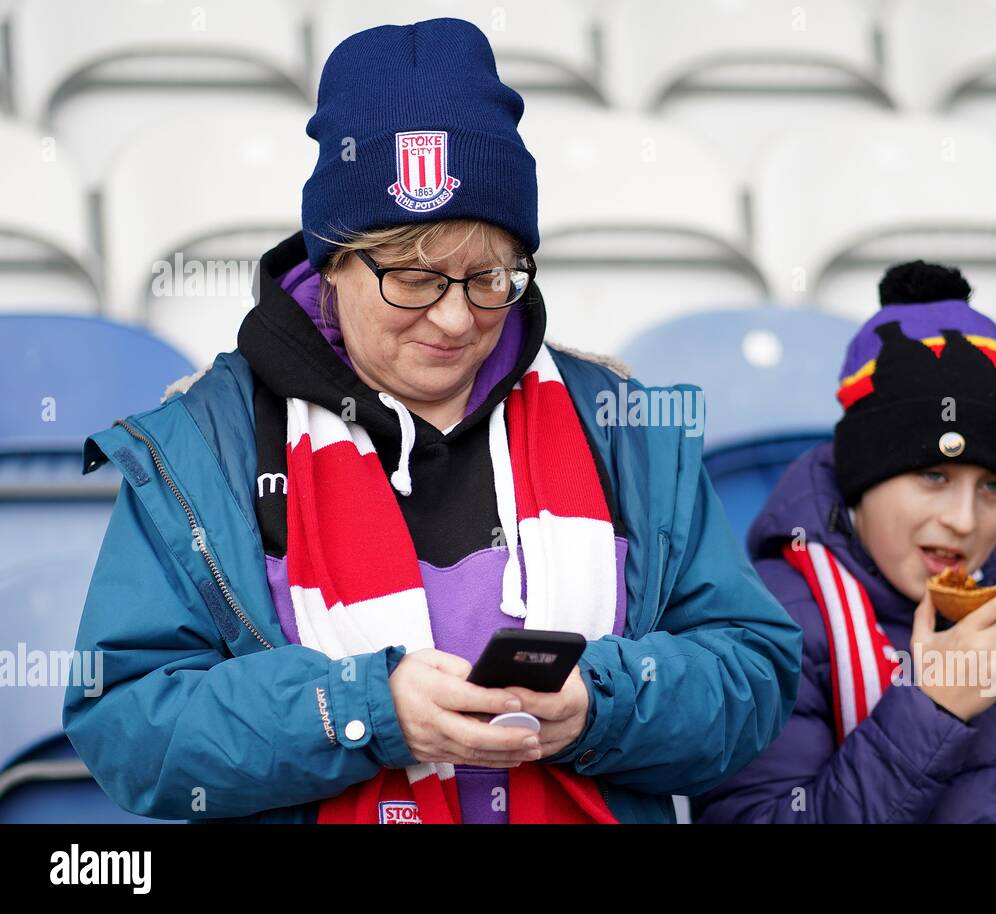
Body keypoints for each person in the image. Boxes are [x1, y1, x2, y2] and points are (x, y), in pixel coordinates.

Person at [64, 17, 801, 825]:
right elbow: (128, 720)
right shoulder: (207, 442)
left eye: (487, 276)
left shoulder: (621, 425)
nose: (454, 320)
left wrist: (602, 704)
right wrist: (363, 711)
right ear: (333, 263)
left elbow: (753, 669)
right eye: (413, 278)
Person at [693, 261, 996, 823]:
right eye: (934, 477)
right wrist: (931, 710)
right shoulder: (771, 622)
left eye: (994, 486)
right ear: (864, 476)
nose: (964, 520)